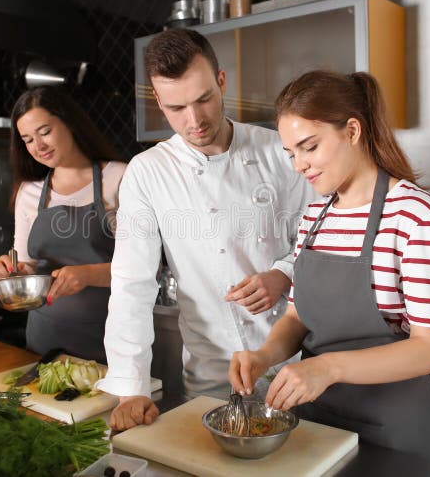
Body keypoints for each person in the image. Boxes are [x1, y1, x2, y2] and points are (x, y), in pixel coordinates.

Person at [229, 70, 430, 463]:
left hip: (394, 435)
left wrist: (328, 368)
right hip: (318, 425)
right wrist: (264, 355)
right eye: (291, 154)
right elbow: (298, 316)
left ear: (352, 131)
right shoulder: (315, 216)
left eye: (309, 147)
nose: (299, 165)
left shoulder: (417, 216)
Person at [97, 29, 315, 431]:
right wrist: (134, 389)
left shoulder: (278, 151)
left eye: (203, 100)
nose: (194, 121)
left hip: (291, 367)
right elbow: (132, 284)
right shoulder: (148, 173)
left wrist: (282, 274)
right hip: (210, 373)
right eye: (177, 107)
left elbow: (317, 241)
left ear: (221, 81)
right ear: (158, 102)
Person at [0, 86, 126, 362]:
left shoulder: (120, 177)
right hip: (44, 339)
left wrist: (87, 274)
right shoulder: (28, 192)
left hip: (112, 337)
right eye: (27, 139)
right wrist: (9, 270)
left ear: (69, 123)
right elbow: (26, 264)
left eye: (44, 132)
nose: (38, 146)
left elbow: (147, 268)